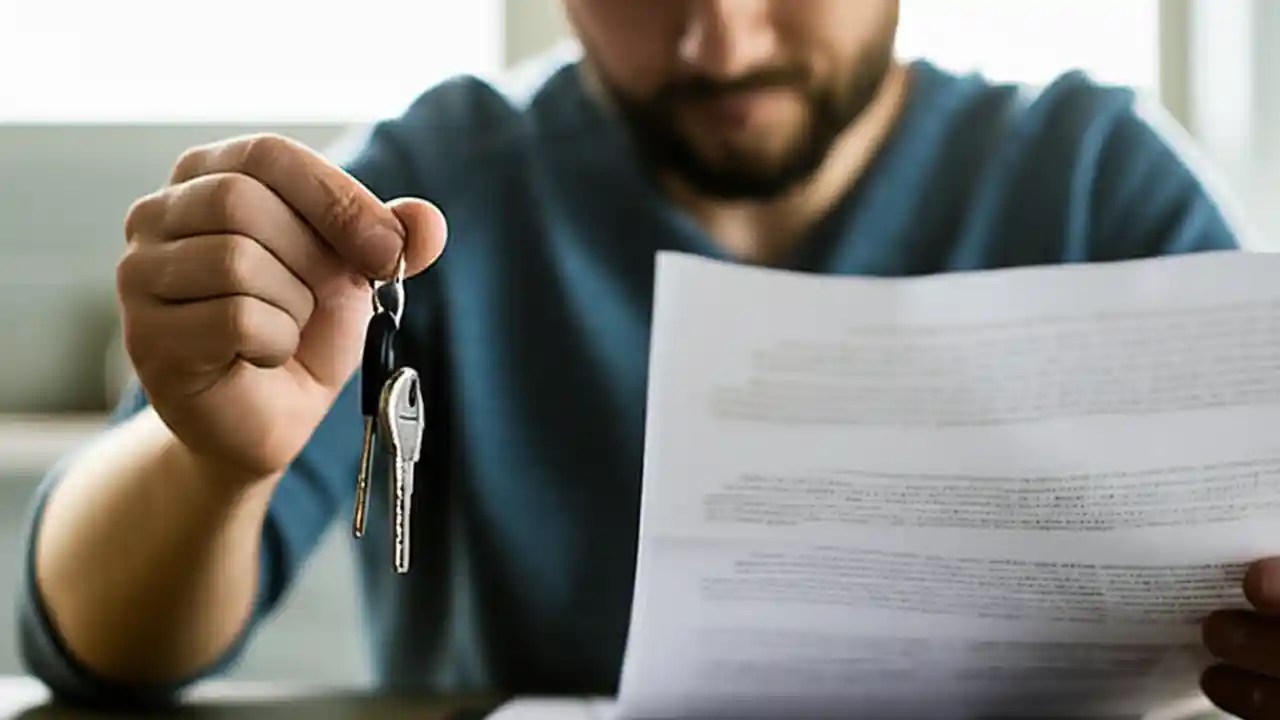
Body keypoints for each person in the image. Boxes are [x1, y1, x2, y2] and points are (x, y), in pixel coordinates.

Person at [15, 1, 1276, 716]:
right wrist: (205, 462)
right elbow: (93, 650)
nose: (718, 43)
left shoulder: (1100, 188)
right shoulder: (436, 189)